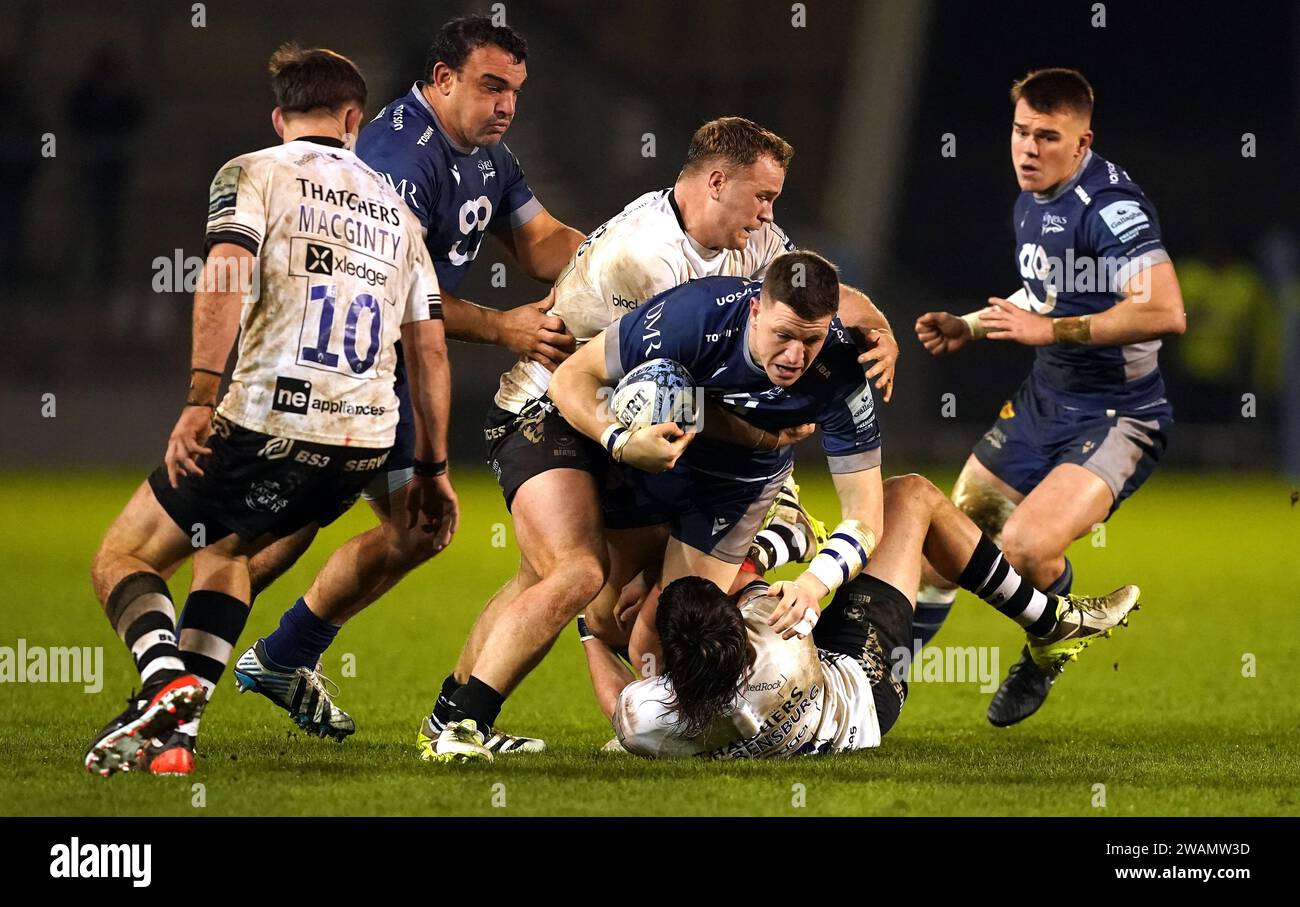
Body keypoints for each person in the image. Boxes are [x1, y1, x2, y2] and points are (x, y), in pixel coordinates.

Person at [418, 119, 899, 761]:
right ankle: (463, 728)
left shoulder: (751, 248)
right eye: (763, 197)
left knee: (574, 584)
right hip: (552, 407)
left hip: (633, 417)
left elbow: (816, 290)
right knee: (579, 574)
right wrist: (718, 437)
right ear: (717, 182)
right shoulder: (651, 264)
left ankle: (452, 720)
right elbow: (621, 385)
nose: (769, 213)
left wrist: (882, 332)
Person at [84, 45, 455, 777]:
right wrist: (435, 467)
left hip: (265, 418)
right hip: (362, 444)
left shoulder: (253, 170)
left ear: (280, 117)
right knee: (227, 554)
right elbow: (431, 353)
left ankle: (164, 682)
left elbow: (224, 275)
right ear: (355, 118)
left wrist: (199, 396)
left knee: (122, 556)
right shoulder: (396, 211)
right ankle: (173, 740)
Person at [226, 16, 588, 758]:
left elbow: (540, 239)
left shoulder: (486, 156)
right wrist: (504, 327)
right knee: (265, 541)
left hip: (381, 380)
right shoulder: (399, 155)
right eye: (492, 86)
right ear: (442, 79)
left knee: (412, 527)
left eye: (515, 91)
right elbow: (391, 290)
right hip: (337, 375)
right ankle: (175, 673)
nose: (507, 105)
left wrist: (631, 260)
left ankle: (274, 656)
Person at [913, 68, 1185, 727]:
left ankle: (1044, 651)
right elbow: (1047, 292)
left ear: (1083, 141)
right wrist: (972, 325)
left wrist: (1047, 330)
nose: (1027, 149)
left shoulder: (1110, 207)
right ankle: (872, 682)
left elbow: (1166, 309)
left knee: (1028, 548)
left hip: (1120, 416)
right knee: (947, 542)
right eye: (1020, 132)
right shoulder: (1031, 199)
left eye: (1047, 136)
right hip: (1043, 403)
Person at [581, 473, 1140, 759]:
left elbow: (622, 696)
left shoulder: (652, 719)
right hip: (862, 691)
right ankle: (1049, 621)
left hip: (803, 710)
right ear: (736, 628)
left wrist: (588, 630)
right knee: (911, 497)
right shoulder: (774, 638)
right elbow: (755, 570)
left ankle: (1049, 623)